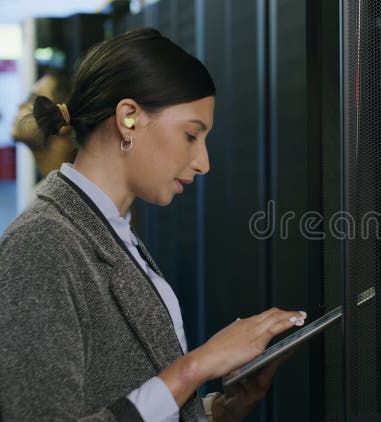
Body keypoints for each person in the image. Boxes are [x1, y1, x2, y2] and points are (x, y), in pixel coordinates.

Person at [0, 28, 305, 421]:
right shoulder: (41, 244)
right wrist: (194, 369)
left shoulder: (111, 233)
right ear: (129, 118)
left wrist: (214, 412)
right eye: (191, 135)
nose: (204, 162)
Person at [10, 69, 78, 203]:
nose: (20, 105)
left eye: (34, 100)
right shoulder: (40, 195)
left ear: (63, 119)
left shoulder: (75, 200)